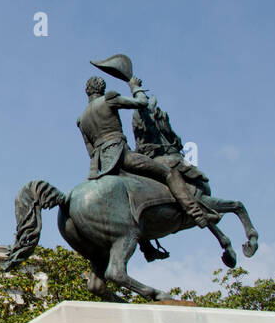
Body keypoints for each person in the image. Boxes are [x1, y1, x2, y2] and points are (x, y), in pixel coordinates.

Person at [77, 75, 211, 228]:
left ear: (87, 91)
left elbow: (90, 151)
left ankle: (147, 246)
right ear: (102, 88)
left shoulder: (82, 120)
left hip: (102, 165)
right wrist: (135, 87)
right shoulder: (108, 99)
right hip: (122, 155)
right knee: (169, 173)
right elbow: (142, 102)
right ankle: (196, 213)